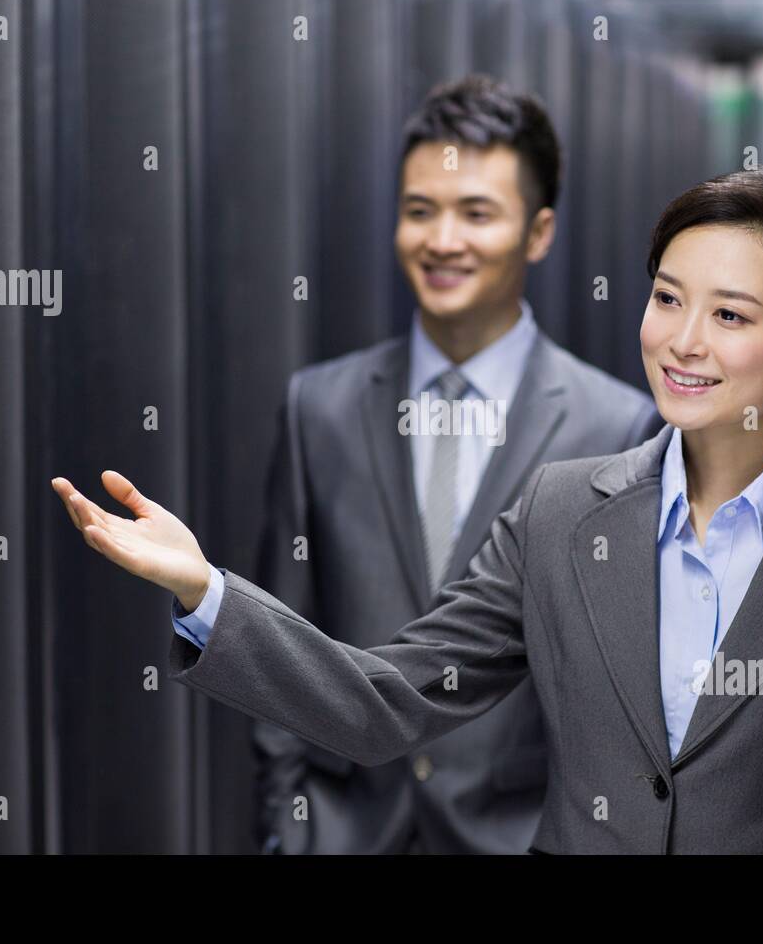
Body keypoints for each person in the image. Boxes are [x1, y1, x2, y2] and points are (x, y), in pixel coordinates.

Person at [52, 164, 763, 853]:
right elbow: (386, 703)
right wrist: (206, 589)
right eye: (665, 299)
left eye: (731, 316)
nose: (682, 342)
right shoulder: (561, 513)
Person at [218, 75, 658, 854]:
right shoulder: (318, 407)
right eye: (420, 210)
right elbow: (283, 632)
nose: (442, 239)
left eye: (477, 213)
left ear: (539, 231)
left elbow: (615, 694)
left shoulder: (617, 423)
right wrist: (286, 831)